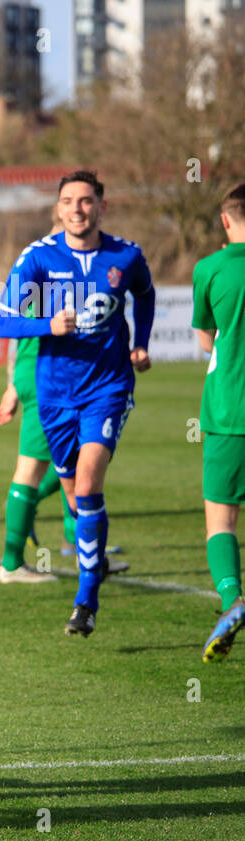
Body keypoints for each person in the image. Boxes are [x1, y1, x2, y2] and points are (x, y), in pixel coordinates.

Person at [0, 170, 154, 636]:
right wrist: (48, 324)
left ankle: (85, 601)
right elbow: (4, 323)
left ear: (101, 206)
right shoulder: (39, 258)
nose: (77, 209)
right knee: (73, 493)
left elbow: (144, 294)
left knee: (87, 485)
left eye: (86, 201)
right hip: (54, 395)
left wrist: (140, 343)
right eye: (69, 202)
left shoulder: (125, 256)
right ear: (58, 209)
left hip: (107, 388)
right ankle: (91, 565)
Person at [0, 321, 127, 582]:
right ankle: (12, 563)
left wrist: (12, 383)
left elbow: (13, 329)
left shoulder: (27, 280)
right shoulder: (61, 279)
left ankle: (83, 552)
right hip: (50, 375)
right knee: (34, 468)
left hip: (41, 371)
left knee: (75, 460)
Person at [194, 182, 245, 663]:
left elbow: (205, 338)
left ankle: (232, 601)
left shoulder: (209, 268)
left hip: (229, 411)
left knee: (221, 519)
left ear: (226, 221)